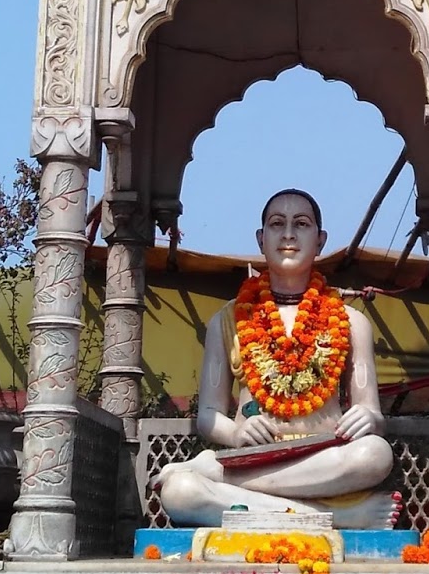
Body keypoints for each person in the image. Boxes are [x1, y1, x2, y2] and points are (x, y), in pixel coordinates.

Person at [154, 189, 398, 528]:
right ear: (260, 239)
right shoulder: (227, 320)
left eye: (301, 224)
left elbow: (371, 410)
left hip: (325, 460)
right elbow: (208, 416)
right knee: (179, 493)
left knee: (374, 454)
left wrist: (370, 419)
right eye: (276, 224)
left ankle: (221, 478)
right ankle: (336, 518)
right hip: (250, 456)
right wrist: (237, 435)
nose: (287, 235)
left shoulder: (351, 322)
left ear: (320, 240)